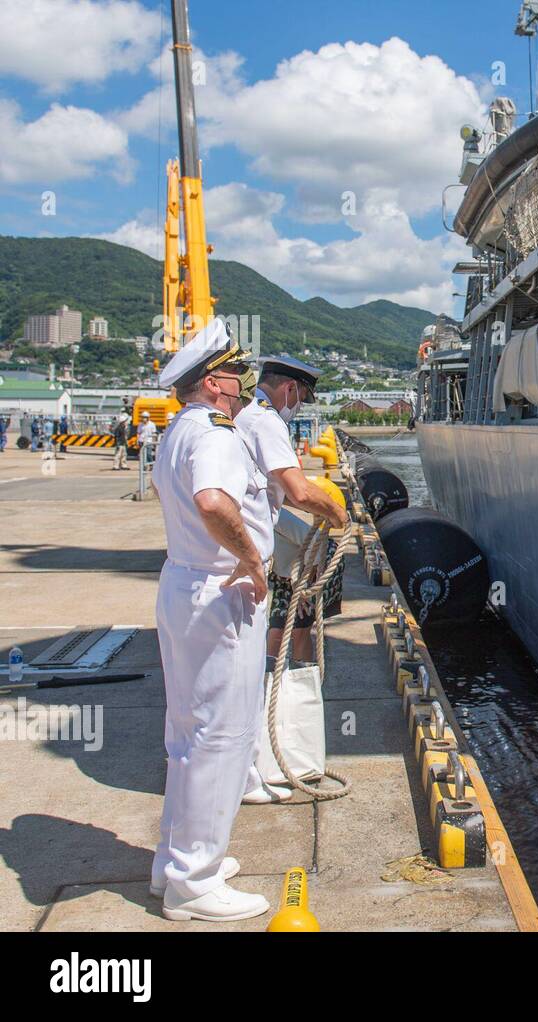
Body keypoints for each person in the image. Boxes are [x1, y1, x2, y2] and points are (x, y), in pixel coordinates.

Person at [150, 318, 273, 922]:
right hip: (221, 592)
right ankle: (193, 883)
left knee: (184, 733)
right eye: (232, 371)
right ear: (213, 382)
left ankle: (174, 862)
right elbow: (214, 502)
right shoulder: (219, 434)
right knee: (221, 735)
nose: (240, 380)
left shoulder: (178, 430)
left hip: (182, 581)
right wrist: (251, 558)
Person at [235, 355, 347, 804]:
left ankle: (249, 766)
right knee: (248, 668)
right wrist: (337, 514)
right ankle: (248, 771)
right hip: (246, 561)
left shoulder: (244, 417)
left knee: (245, 670)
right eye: (300, 399)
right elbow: (297, 491)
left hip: (246, 552)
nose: (298, 408)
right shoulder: (265, 422)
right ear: (290, 391)